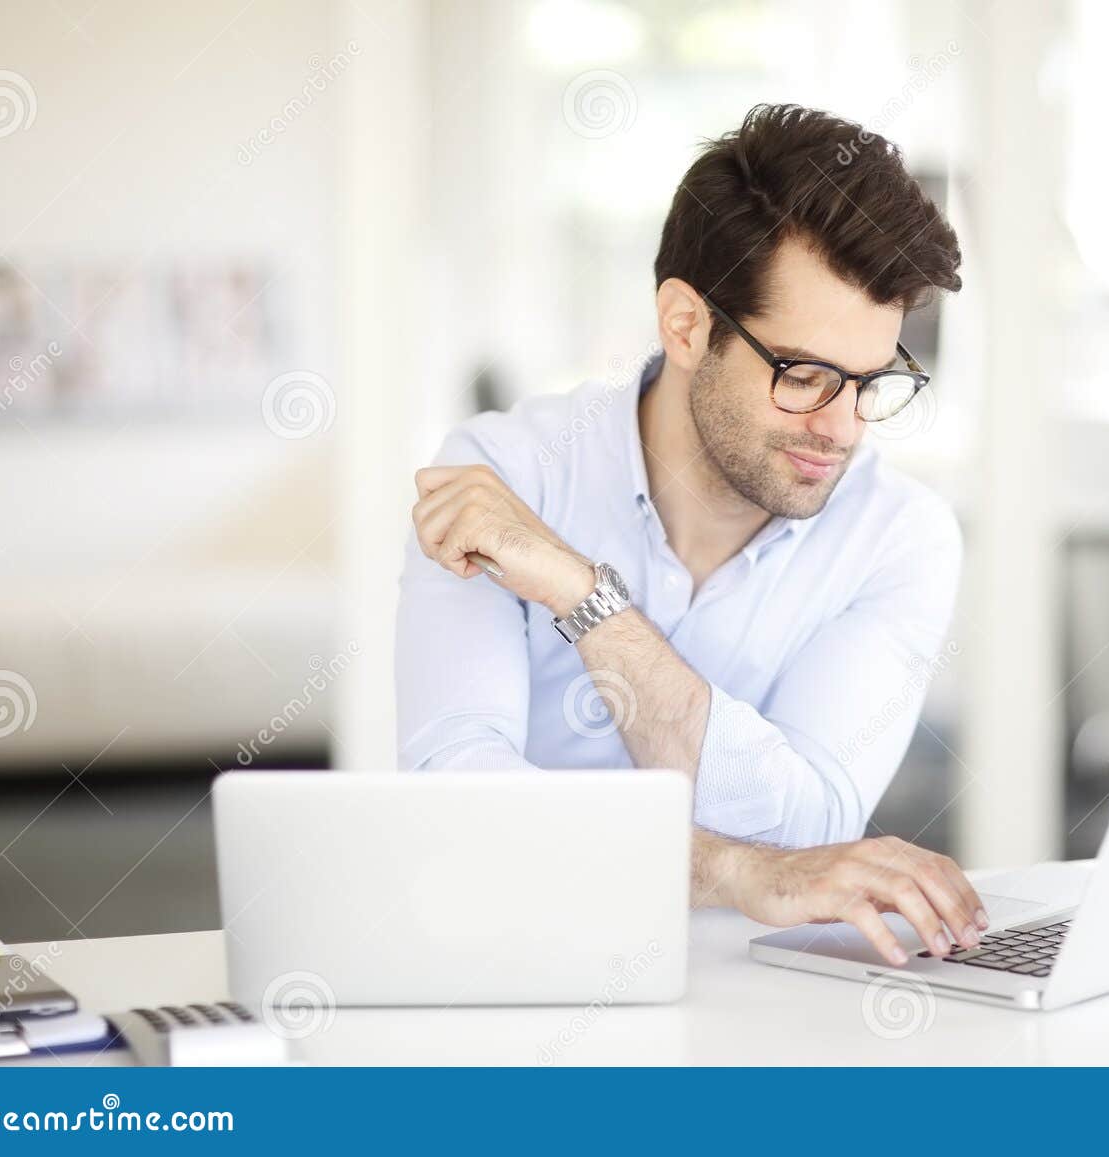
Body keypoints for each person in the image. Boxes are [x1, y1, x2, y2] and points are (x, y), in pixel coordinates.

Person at [396, 104, 987, 965]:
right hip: (513, 969)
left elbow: (809, 825)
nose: (844, 427)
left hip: (764, 998)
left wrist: (583, 596)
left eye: (871, 381)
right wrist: (745, 872)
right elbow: (455, 800)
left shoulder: (902, 537)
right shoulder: (504, 476)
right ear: (685, 325)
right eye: (807, 375)